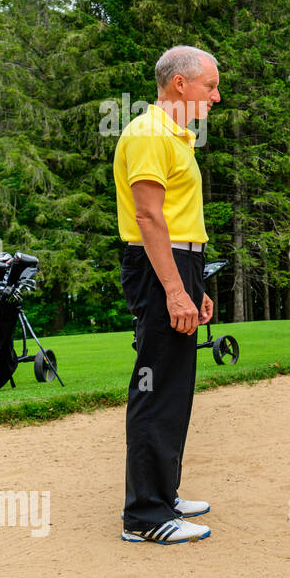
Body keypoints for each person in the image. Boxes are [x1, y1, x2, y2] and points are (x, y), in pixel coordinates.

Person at [114, 45, 220, 544]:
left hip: (180, 262)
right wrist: (175, 292)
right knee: (155, 386)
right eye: (210, 86)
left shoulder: (177, 137)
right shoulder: (149, 133)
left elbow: (176, 218)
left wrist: (194, 289)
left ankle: (163, 493)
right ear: (181, 84)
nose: (216, 97)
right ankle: (146, 517)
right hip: (160, 265)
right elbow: (149, 218)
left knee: (174, 384)